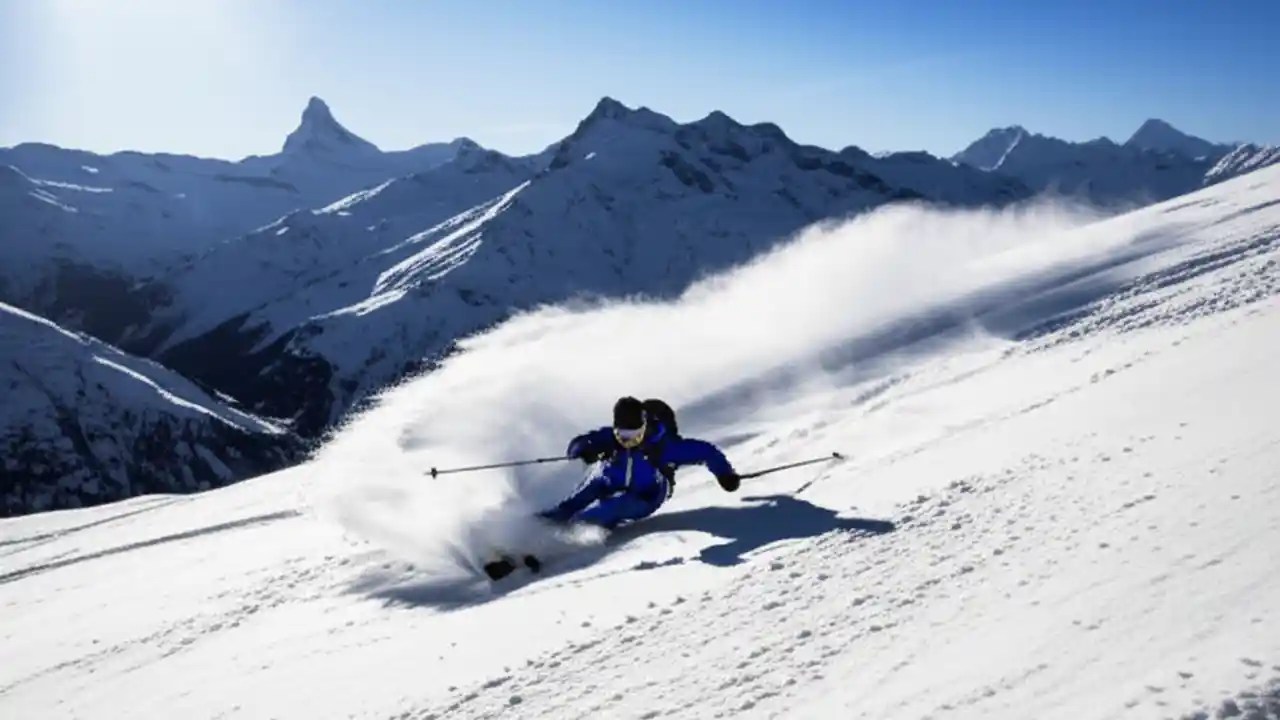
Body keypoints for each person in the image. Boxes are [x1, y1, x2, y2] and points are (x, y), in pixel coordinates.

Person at [538, 396, 740, 530]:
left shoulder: (662, 446)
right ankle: (541, 526)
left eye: (635, 434)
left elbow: (706, 451)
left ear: (644, 427)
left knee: (612, 507)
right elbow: (579, 444)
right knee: (580, 497)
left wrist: (725, 474)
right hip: (607, 481)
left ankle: (568, 534)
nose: (628, 440)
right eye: (623, 434)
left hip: (646, 496)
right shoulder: (610, 438)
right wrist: (585, 451)